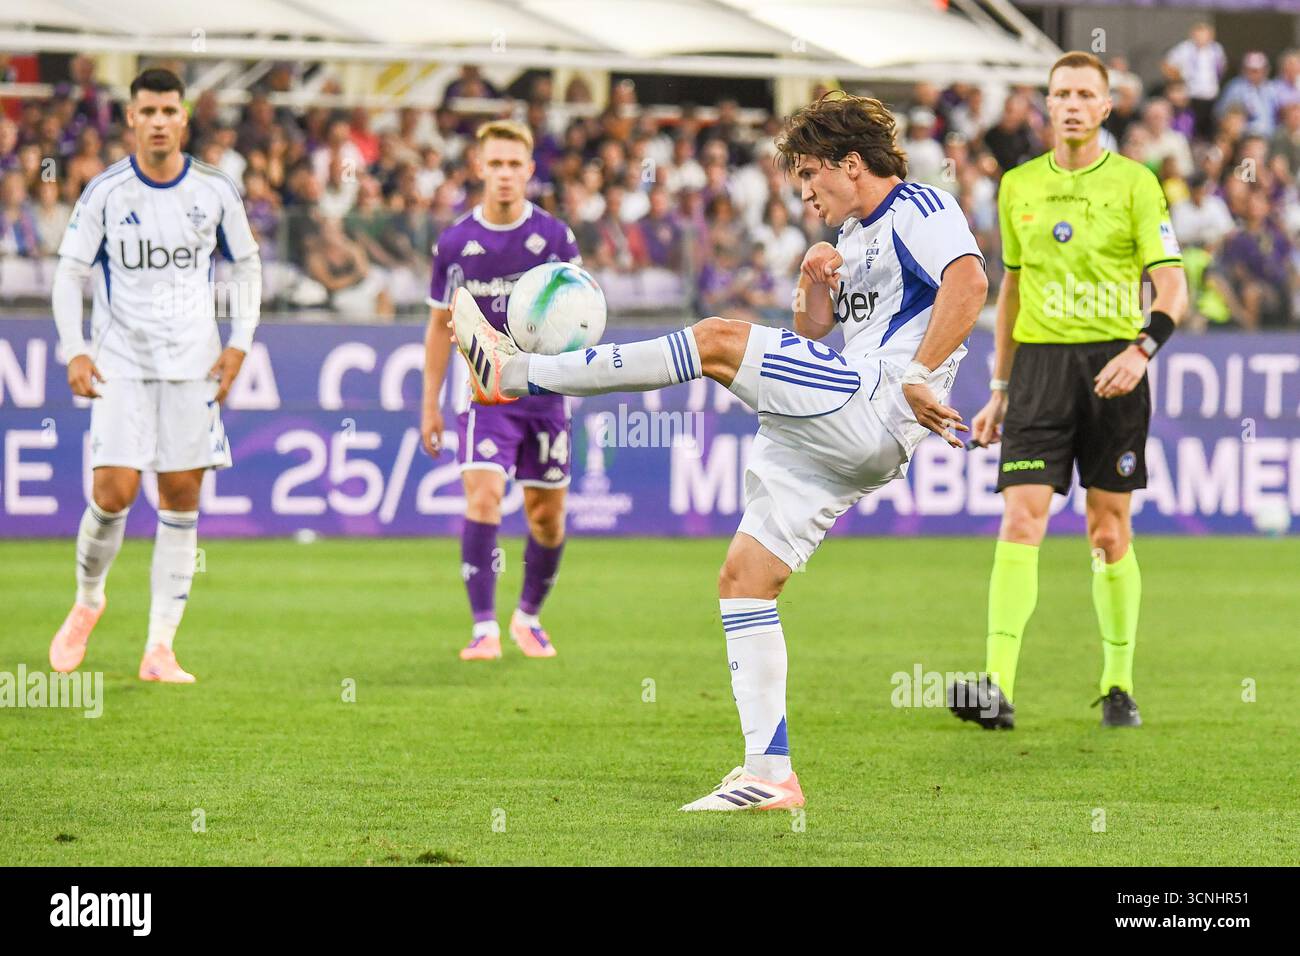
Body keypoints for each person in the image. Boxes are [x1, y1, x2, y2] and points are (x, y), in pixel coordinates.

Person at [451, 92, 988, 810]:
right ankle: (770, 774)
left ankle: (514, 372)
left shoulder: (920, 206)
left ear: (850, 163)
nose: (802, 191)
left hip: (875, 400)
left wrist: (918, 374)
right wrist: (810, 287)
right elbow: (818, 336)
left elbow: (971, 281)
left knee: (715, 340)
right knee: (744, 580)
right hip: (843, 424)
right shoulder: (854, 238)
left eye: (808, 174)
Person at [952, 52, 1189, 730]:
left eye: (1088, 93)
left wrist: (1144, 349)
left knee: (1107, 532)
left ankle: (1118, 684)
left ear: (1107, 108)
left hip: (1115, 368)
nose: (1074, 104)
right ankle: (995, 686)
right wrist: (999, 388)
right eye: (1062, 94)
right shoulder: (1018, 185)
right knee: (1021, 515)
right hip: (1037, 372)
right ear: (1047, 106)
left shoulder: (1137, 184)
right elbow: (1012, 291)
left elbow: (1171, 285)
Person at [47, 68, 262, 683]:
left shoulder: (216, 189)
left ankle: (159, 648)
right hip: (122, 366)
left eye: (171, 109)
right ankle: (89, 599)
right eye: (150, 111)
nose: (161, 121)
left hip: (193, 367)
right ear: (132, 119)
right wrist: (74, 350)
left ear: (184, 117)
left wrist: (240, 343)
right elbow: (69, 273)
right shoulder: (108, 192)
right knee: (112, 494)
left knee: (180, 498)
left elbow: (247, 267)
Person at [420, 120, 582, 661]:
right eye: (496, 164)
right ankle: (483, 627)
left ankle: (528, 617)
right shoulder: (455, 242)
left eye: (516, 164)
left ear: (530, 170)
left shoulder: (555, 239)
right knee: (484, 497)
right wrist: (429, 407)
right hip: (486, 397)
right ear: (479, 167)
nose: (506, 174)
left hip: (545, 394)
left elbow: (581, 315)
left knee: (546, 516)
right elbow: (439, 327)